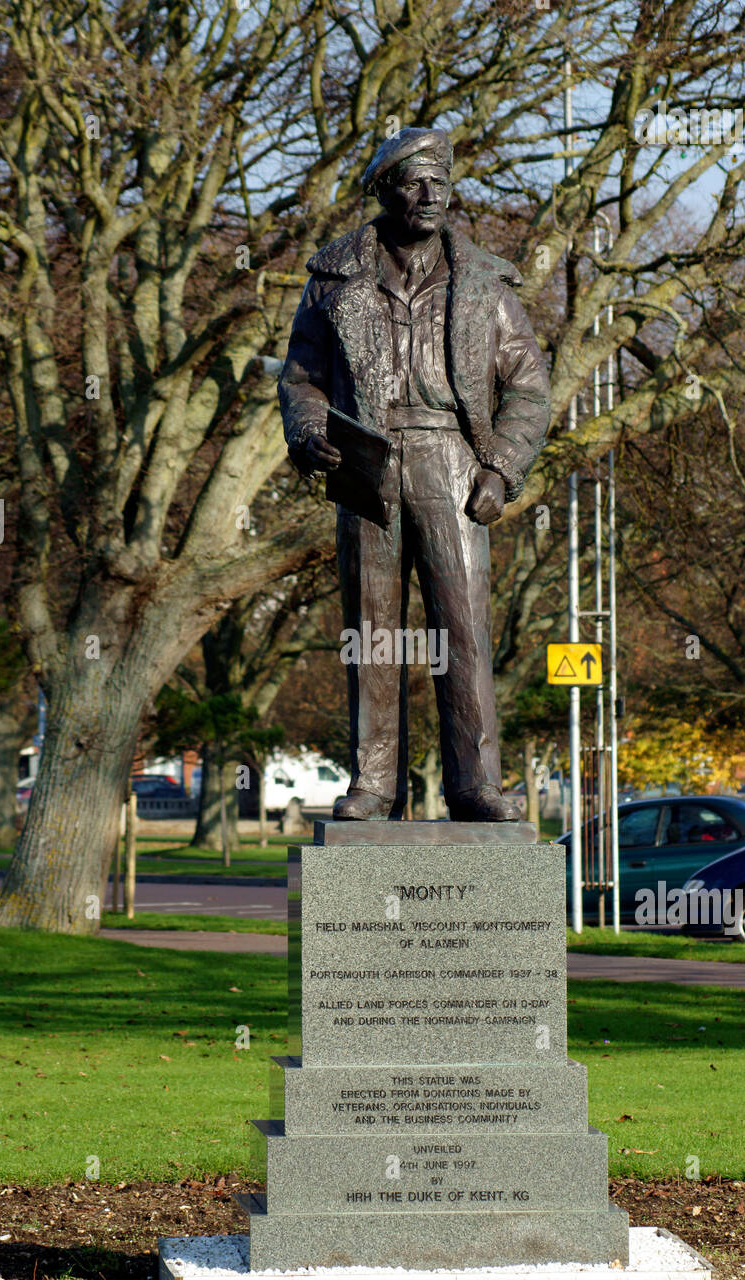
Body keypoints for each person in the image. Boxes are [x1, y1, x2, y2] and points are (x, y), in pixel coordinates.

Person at [278, 127, 551, 821]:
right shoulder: (334, 280)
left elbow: (527, 387)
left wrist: (501, 466)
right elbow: (302, 376)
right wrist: (309, 432)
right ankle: (373, 782)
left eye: (439, 181)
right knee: (372, 631)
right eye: (412, 182)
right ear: (383, 191)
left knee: (462, 627)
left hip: (452, 462)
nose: (429, 195)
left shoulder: (483, 283)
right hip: (365, 460)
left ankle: (475, 783)